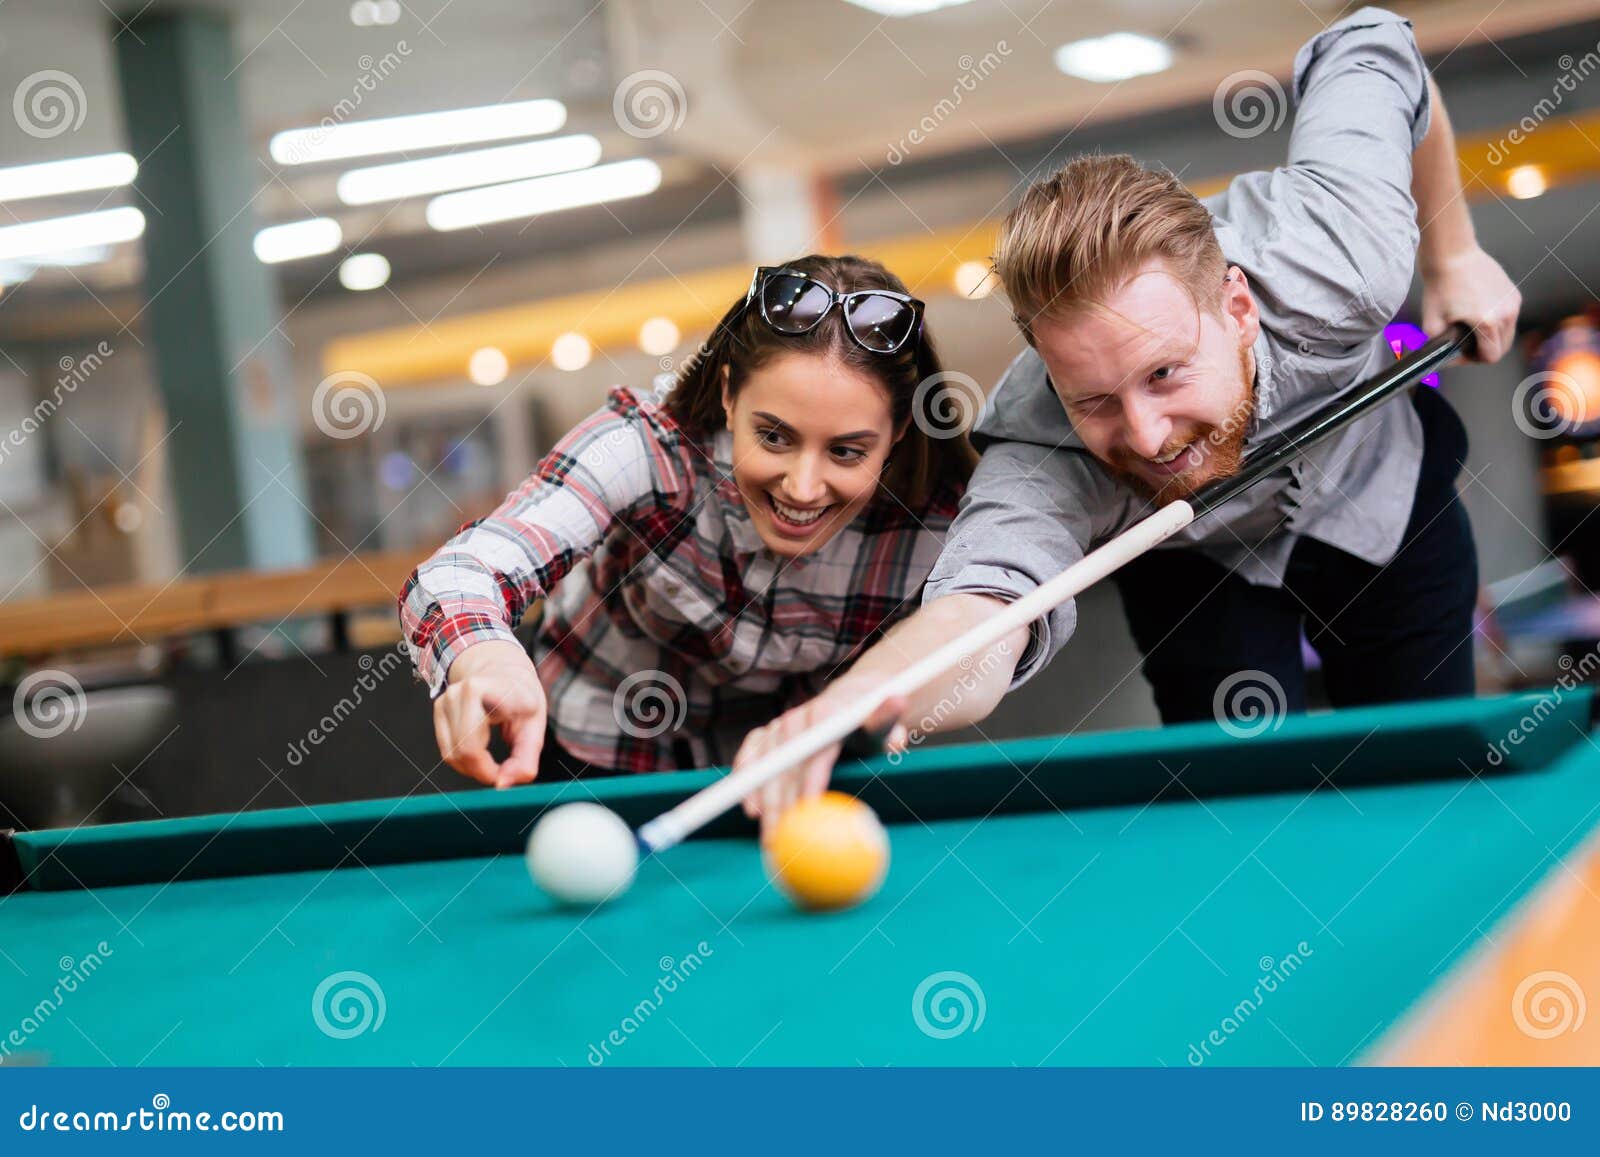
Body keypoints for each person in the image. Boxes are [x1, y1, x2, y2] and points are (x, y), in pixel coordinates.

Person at [734, 7, 1522, 828]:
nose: (1146, 437)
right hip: (1195, 572)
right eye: (1095, 400)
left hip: (1382, 502)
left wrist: (1453, 254)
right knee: (1244, 819)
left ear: (1240, 307)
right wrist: (858, 699)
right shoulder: (1040, 443)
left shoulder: (1340, 253)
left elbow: (1377, 43)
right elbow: (980, 612)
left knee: (1424, 795)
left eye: (1165, 373)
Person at [400, 255, 976, 786]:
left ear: (899, 433)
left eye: (846, 452)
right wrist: (487, 656)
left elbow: (988, 636)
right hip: (596, 759)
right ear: (728, 395)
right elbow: (461, 571)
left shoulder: (941, 515)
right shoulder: (646, 449)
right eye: (773, 436)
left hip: (793, 765)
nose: (802, 488)